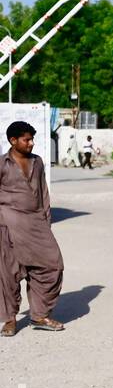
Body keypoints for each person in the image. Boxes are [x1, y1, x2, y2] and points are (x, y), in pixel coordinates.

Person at [0, 121, 64, 334]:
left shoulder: (37, 162)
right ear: (13, 140)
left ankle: (39, 315)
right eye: (26, 140)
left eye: (31, 139)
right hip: (8, 225)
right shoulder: (2, 164)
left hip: (36, 223)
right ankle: (10, 319)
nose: (31, 143)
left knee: (52, 265)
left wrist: (46, 222)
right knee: (8, 273)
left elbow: (43, 193)